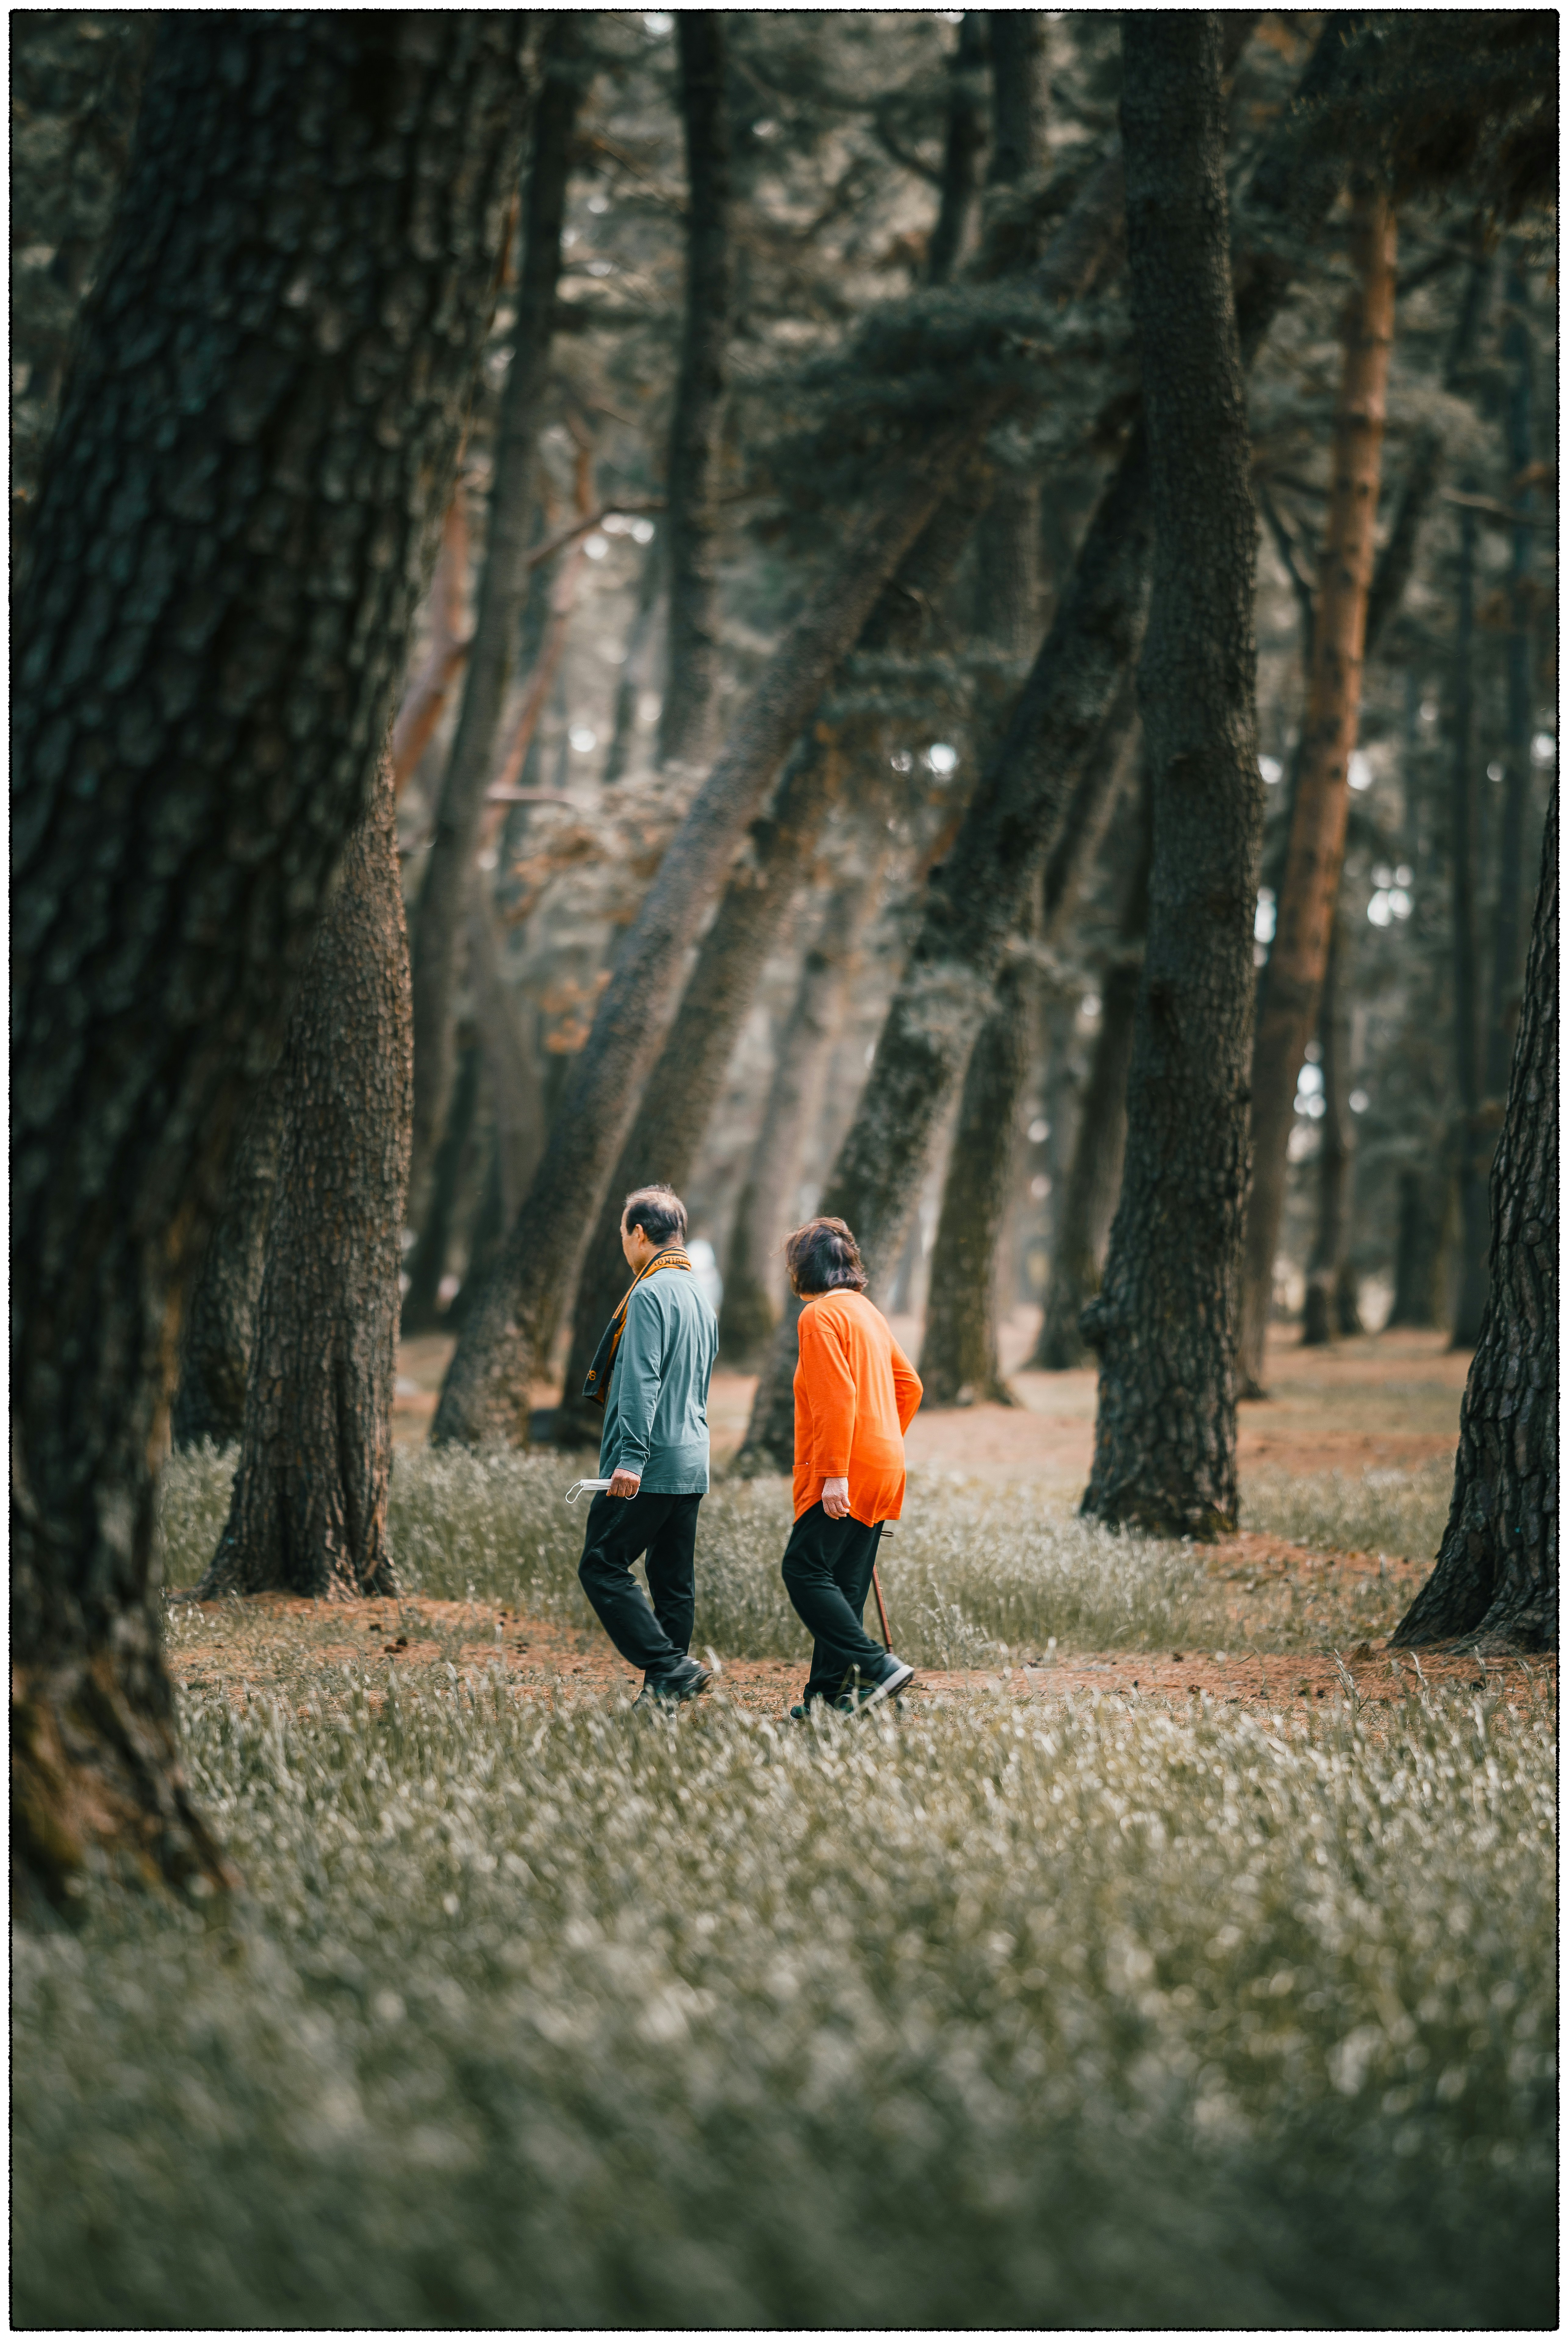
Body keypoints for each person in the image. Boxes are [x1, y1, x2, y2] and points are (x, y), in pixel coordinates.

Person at [576, 1185, 719, 1706]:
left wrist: (629, 1459)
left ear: (639, 1234)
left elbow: (642, 1379)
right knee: (672, 1582)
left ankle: (667, 1667)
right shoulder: (698, 1297)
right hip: (691, 1459)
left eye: (623, 1234)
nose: (623, 1244)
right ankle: (664, 1696)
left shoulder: (649, 1293)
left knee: (602, 1564)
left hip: (651, 1461)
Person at [780, 1215, 920, 1717]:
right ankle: (825, 1698)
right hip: (884, 1462)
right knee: (844, 1582)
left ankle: (876, 1667)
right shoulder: (866, 1311)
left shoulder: (819, 1317)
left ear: (802, 1269)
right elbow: (910, 1387)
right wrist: (881, 1437)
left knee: (802, 1569)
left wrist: (838, 1472)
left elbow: (836, 1400)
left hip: (847, 1467)